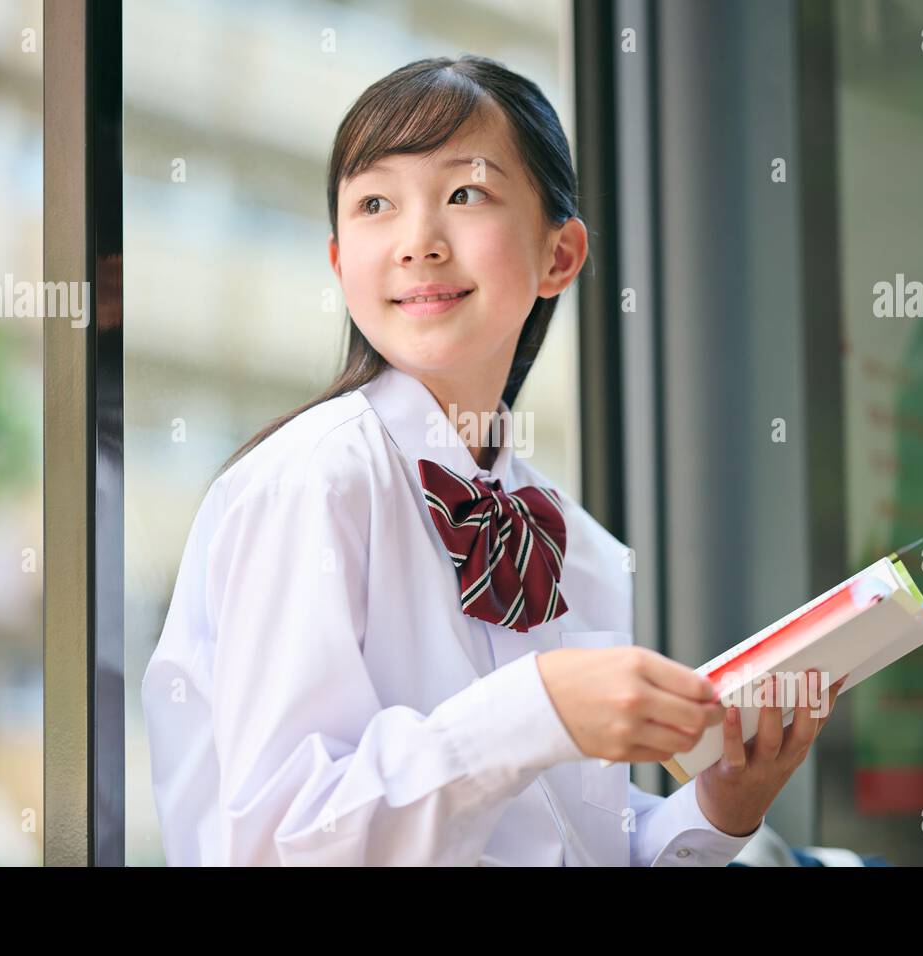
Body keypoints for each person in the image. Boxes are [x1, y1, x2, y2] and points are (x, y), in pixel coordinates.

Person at [141, 54, 842, 866]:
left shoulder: (568, 536)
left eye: (464, 193)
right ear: (340, 264)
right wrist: (532, 711)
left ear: (561, 255)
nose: (417, 243)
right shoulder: (313, 482)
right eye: (375, 203)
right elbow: (277, 844)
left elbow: (573, 843)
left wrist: (719, 808)